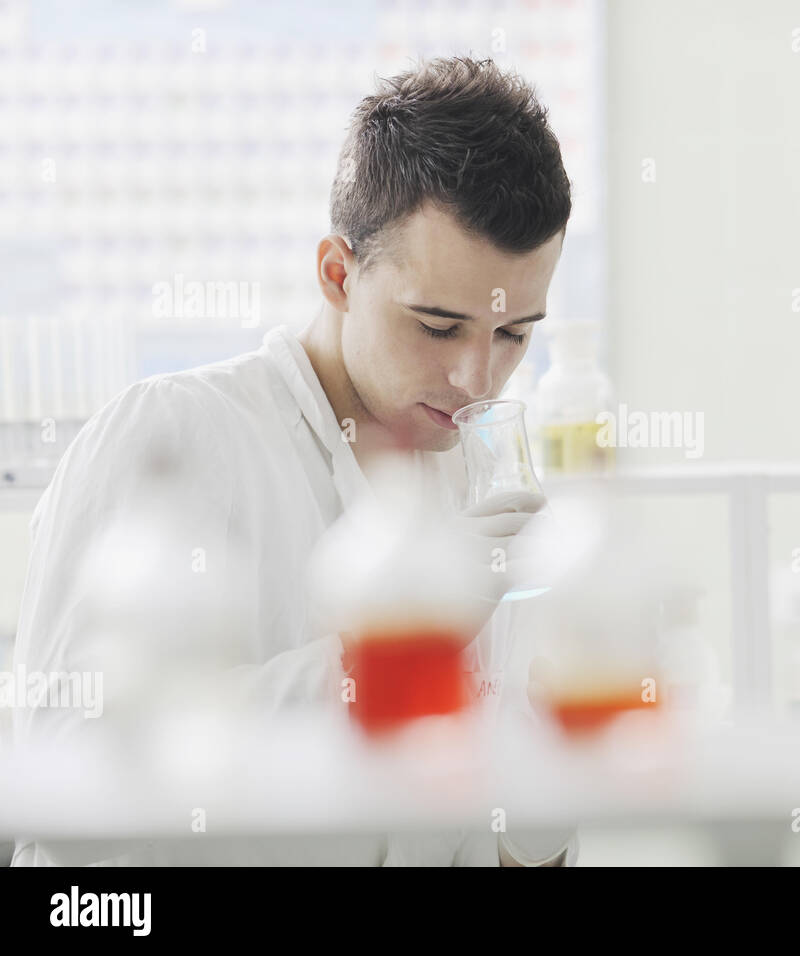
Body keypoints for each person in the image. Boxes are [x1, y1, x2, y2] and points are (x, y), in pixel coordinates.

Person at [10, 56, 576, 867]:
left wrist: (550, 769)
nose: (476, 379)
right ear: (338, 274)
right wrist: (396, 652)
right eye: (439, 327)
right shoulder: (172, 435)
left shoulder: (477, 501)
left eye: (515, 333)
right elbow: (66, 789)